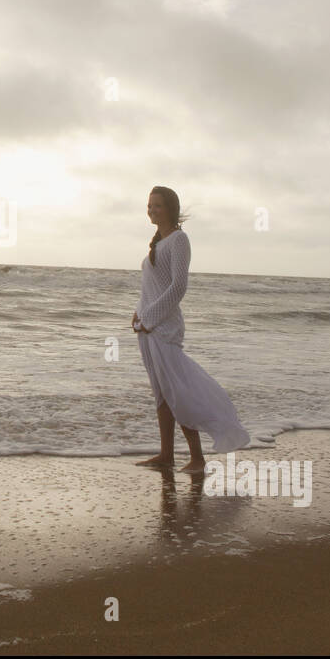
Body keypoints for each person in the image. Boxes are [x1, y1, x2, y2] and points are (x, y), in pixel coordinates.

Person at [133, 186, 250, 471]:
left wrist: (149, 318)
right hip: (146, 328)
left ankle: (197, 458)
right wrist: (137, 314)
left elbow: (178, 287)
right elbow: (152, 288)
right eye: (149, 205)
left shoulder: (179, 240)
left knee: (177, 392)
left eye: (157, 205)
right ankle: (166, 455)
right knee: (161, 393)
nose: (151, 210)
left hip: (163, 328)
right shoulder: (158, 243)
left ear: (171, 208)